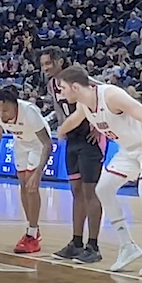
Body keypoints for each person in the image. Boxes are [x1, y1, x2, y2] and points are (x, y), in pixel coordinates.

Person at [58, 66, 142, 277]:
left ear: (75, 87)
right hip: (129, 149)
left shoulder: (110, 95)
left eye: (62, 88)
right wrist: (58, 132)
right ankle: (128, 246)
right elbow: (74, 120)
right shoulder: (84, 103)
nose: (61, 93)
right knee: (104, 189)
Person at [40, 47, 104, 263]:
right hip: (73, 139)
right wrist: (62, 129)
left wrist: (99, 123)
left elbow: (102, 91)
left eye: (48, 63)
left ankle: (93, 246)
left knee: (89, 191)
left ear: (59, 61)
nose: (45, 68)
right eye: (43, 65)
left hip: (90, 137)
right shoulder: (52, 84)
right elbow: (59, 108)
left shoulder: (77, 75)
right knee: (76, 190)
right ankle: (76, 242)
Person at [0, 86, 54, 254]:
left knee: (32, 187)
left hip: (39, 143)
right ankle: (32, 230)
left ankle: (32, 233)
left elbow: (47, 144)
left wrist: (39, 172)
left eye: (6, 110)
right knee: (23, 185)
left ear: (15, 106)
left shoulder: (29, 112)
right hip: (21, 143)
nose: (2, 114)